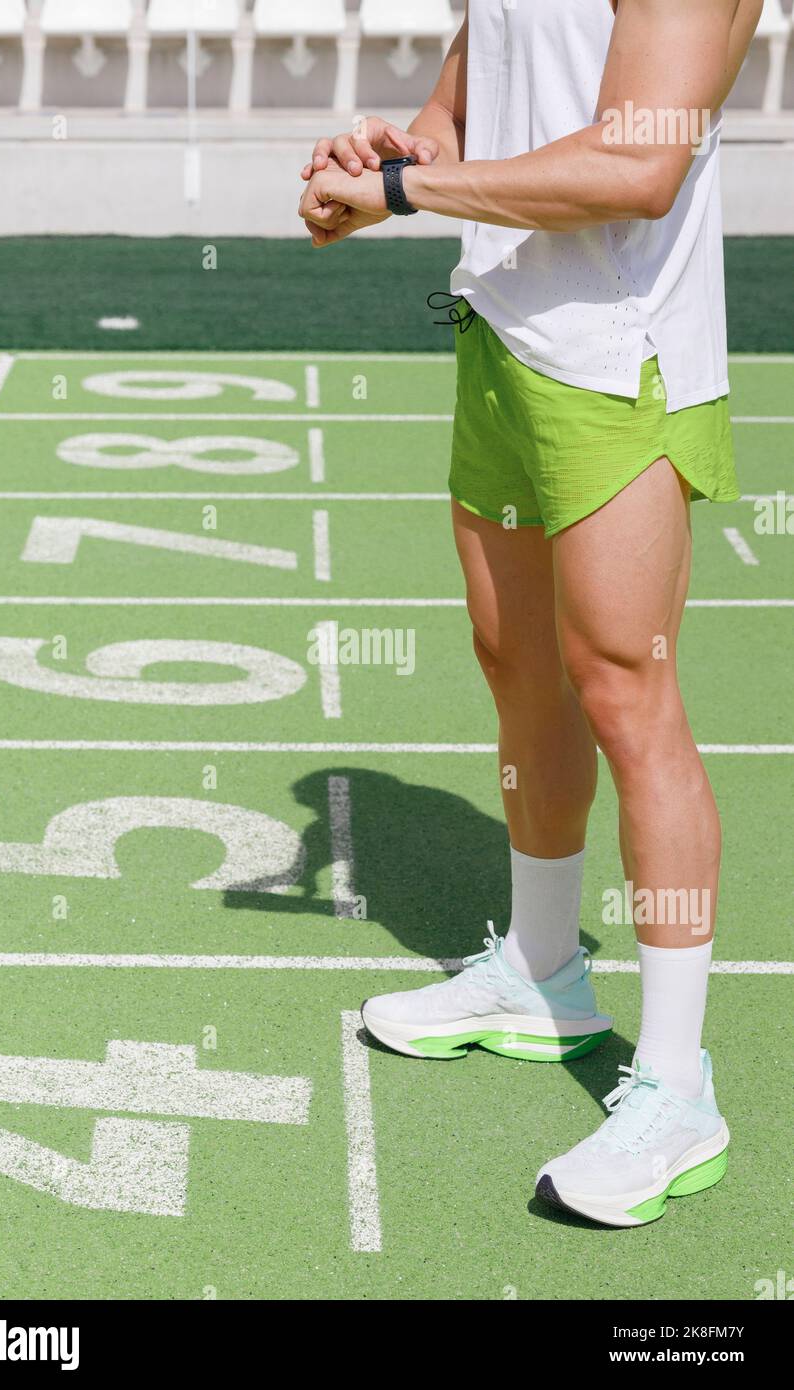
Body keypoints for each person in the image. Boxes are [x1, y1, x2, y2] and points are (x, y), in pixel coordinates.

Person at [298, 0, 761, 1228]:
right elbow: (478, 66)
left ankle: (674, 1087)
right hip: (501, 325)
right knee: (516, 664)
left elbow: (638, 162)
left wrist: (409, 196)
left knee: (624, 688)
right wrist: (394, 157)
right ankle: (541, 971)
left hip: (620, 349)